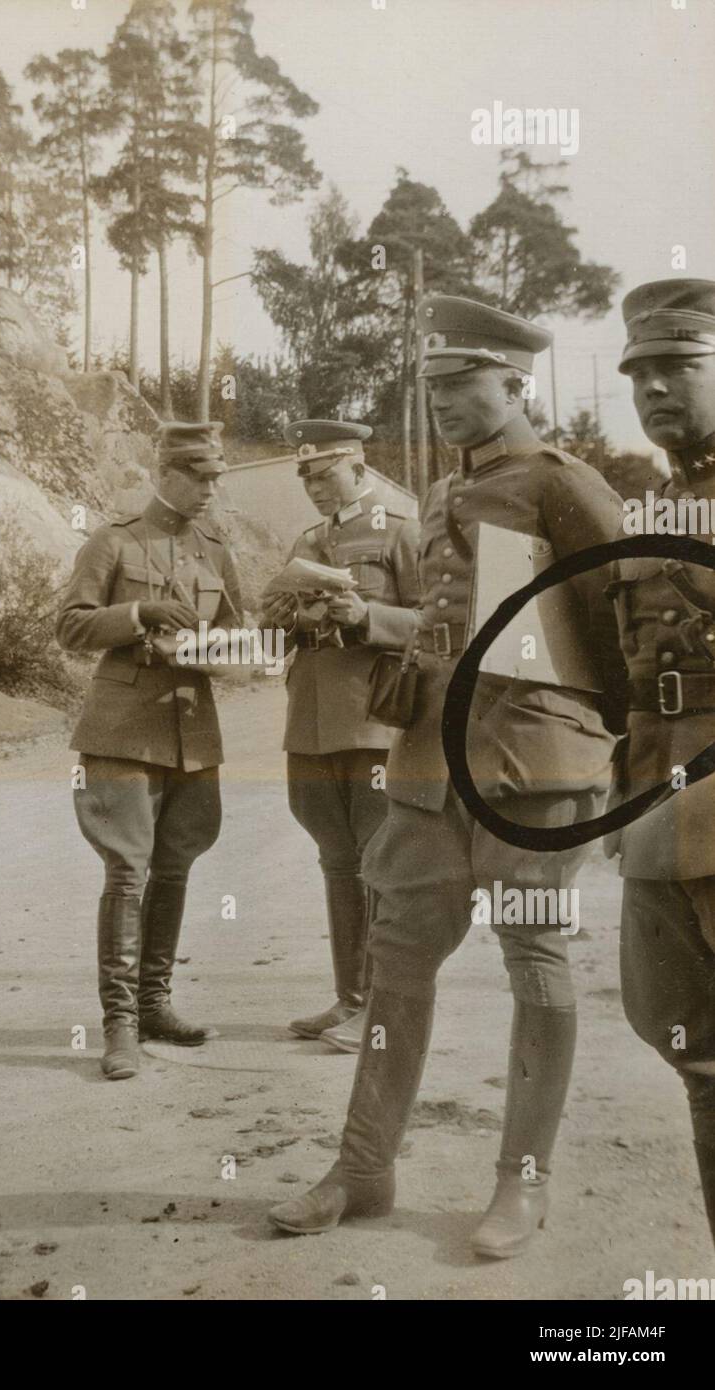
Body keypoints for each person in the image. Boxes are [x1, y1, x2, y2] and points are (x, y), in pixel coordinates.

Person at [269, 296, 626, 1257]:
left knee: (536, 967)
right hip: (429, 768)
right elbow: (446, 626)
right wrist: (370, 625)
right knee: (396, 964)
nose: (444, 408)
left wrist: (622, 765)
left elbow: (615, 625)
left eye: (463, 388)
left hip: (534, 772)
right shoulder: (437, 497)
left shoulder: (565, 482)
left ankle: (523, 1184)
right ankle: (364, 1164)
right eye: (432, 393)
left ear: (515, 384)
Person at [57, 421, 243, 1081]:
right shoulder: (113, 541)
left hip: (192, 730)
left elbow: (235, 631)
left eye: (216, 474)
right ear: (163, 472)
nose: (209, 488)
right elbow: (72, 625)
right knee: (128, 875)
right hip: (123, 730)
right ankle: (120, 1025)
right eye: (198, 473)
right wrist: (141, 617)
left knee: (174, 869)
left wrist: (225, 651)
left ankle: (157, 1002)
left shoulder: (215, 548)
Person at [609, 277, 715, 1245]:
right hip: (655, 804)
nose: (652, 389)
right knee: (691, 1049)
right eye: (638, 373)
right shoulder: (648, 506)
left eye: (676, 367)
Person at [261, 420, 419, 1051]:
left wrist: (368, 616)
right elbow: (273, 639)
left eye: (325, 475)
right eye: (306, 478)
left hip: (374, 723)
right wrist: (283, 617)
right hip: (312, 719)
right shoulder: (305, 541)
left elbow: (441, 624)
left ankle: (381, 1009)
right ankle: (350, 997)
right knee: (335, 859)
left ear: (358, 467)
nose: (315, 489)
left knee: (379, 862)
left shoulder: (401, 532)